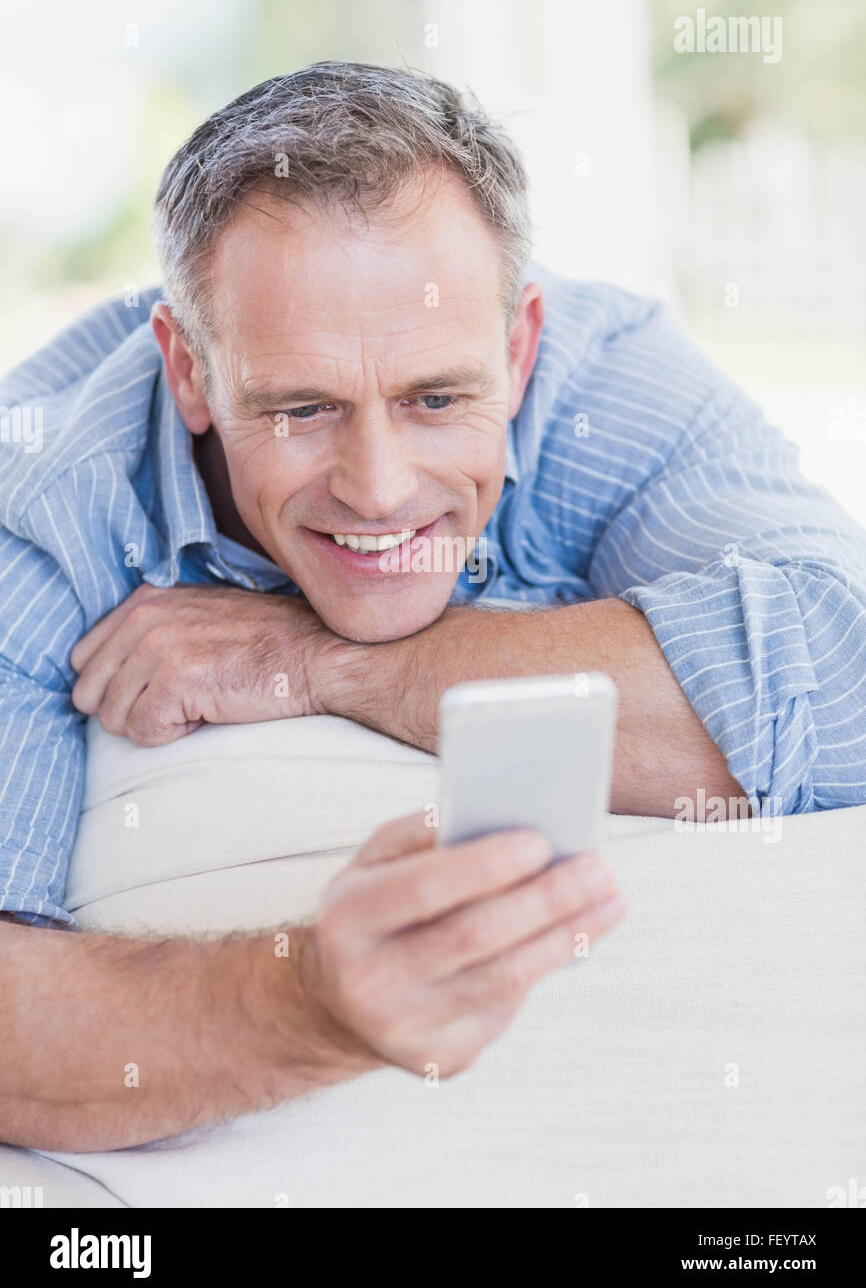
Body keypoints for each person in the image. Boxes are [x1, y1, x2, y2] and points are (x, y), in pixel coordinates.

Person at [1, 62, 864, 1150]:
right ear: (190, 372)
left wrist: (322, 662)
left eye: (435, 399)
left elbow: (843, 680)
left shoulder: (612, 382)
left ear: (519, 345)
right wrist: (310, 1001)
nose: (379, 484)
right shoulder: (36, 507)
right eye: (302, 408)